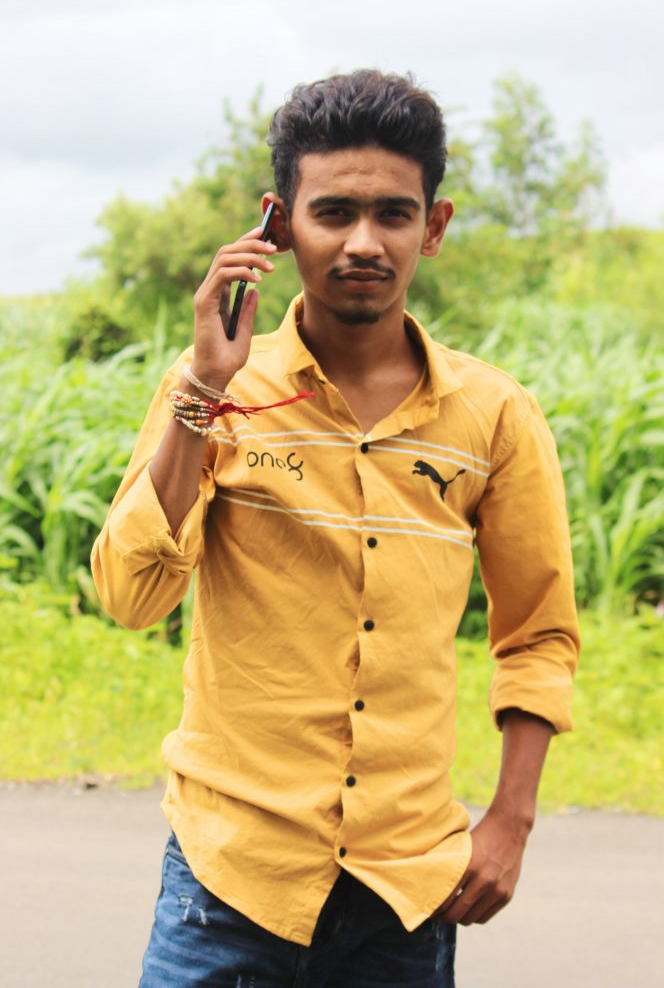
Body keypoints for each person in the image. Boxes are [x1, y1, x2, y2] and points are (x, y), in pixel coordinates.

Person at [91, 69, 579, 987]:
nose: (363, 242)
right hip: (229, 878)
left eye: (393, 214)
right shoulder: (214, 392)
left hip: (404, 888)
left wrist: (510, 822)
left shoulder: (493, 416)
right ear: (280, 225)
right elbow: (131, 595)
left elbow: (538, 635)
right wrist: (204, 388)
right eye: (333, 213)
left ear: (432, 227)